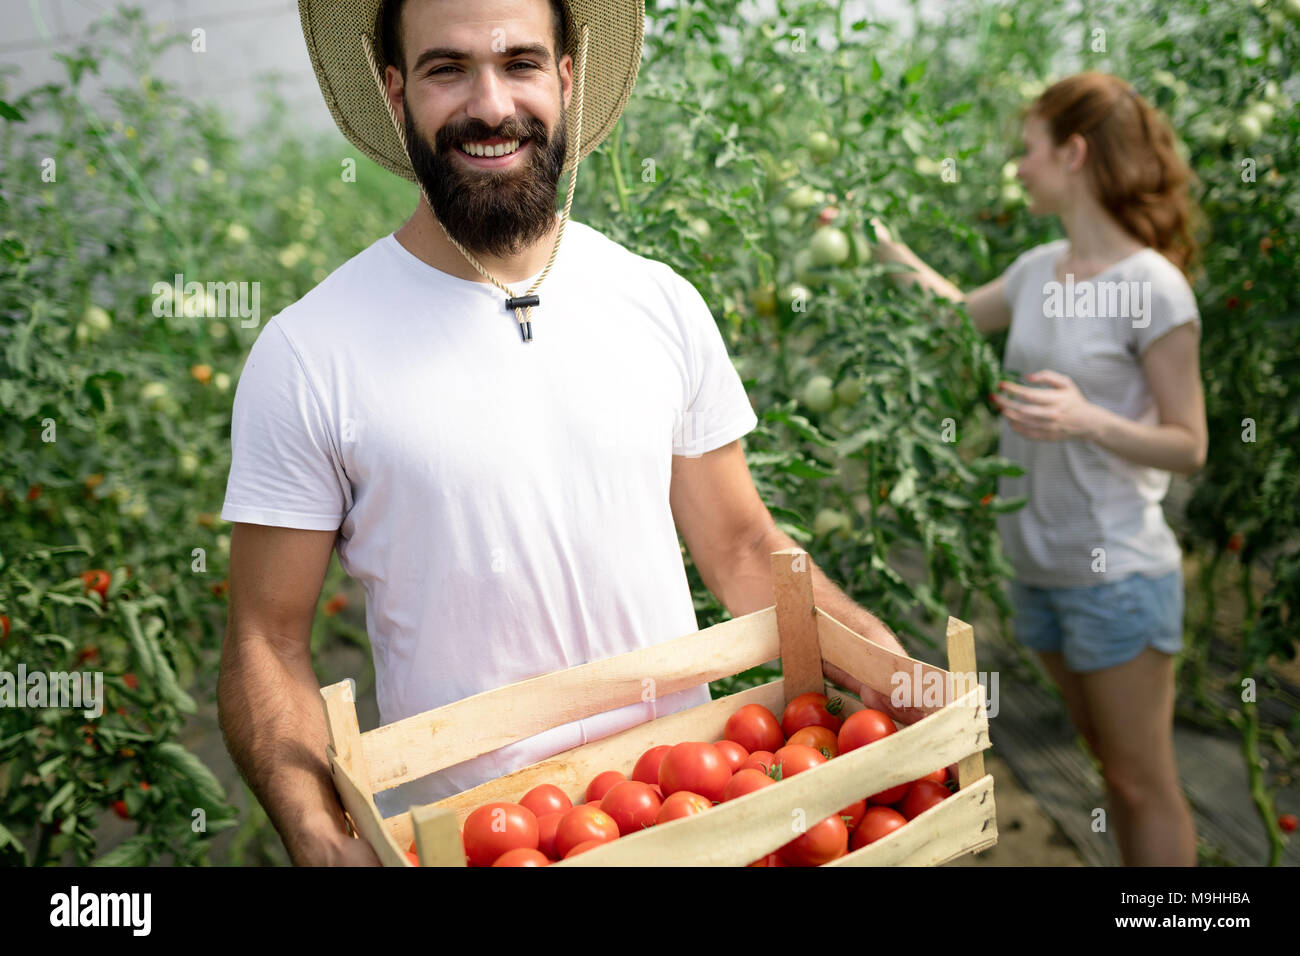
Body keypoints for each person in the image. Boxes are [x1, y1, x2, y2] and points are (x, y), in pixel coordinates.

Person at [217, 0, 914, 867]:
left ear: (566, 78)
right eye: (447, 69)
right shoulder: (310, 351)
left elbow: (740, 548)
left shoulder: (657, 301)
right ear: (395, 93)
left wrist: (886, 661)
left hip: (691, 809)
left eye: (520, 63)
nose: (491, 104)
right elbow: (266, 639)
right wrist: (315, 829)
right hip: (474, 839)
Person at [872, 71, 1206, 866]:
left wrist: (1087, 418)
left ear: (1074, 153)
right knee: (1109, 772)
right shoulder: (1036, 271)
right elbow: (949, 312)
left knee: (1138, 782)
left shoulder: (1153, 288)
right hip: (1038, 569)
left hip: (1117, 573)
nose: (1018, 168)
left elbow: (1189, 443)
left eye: (1028, 151)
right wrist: (877, 241)